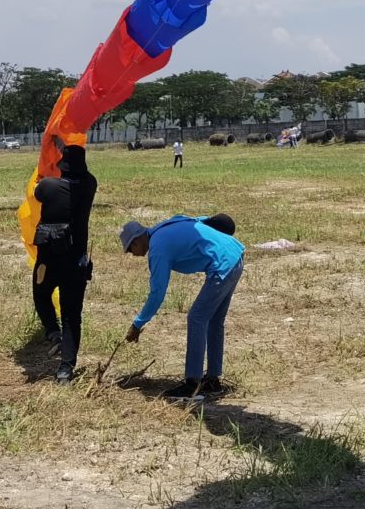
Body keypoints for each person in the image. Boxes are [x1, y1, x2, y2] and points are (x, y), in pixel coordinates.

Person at [120, 214, 245, 399]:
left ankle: (192, 384)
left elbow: (157, 294)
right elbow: (199, 220)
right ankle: (213, 381)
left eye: (130, 250)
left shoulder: (158, 249)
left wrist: (138, 324)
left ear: (136, 241)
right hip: (235, 256)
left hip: (223, 264)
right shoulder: (164, 226)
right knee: (214, 321)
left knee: (197, 318)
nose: (133, 254)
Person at [30, 141, 98, 380]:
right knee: (72, 315)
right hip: (76, 261)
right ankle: (66, 369)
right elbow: (82, 175)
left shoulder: (48, 186)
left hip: (48, 261)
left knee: (41, 294)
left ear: (63, 166)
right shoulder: (89, 185)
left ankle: (53, 333)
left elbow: (37, 192)